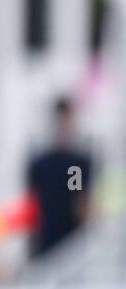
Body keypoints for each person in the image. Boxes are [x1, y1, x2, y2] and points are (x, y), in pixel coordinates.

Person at [26, 96, 94, 257]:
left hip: (55, 242)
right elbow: (80, 206)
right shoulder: (73, 164)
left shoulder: (43, 164)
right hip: (63, 244)